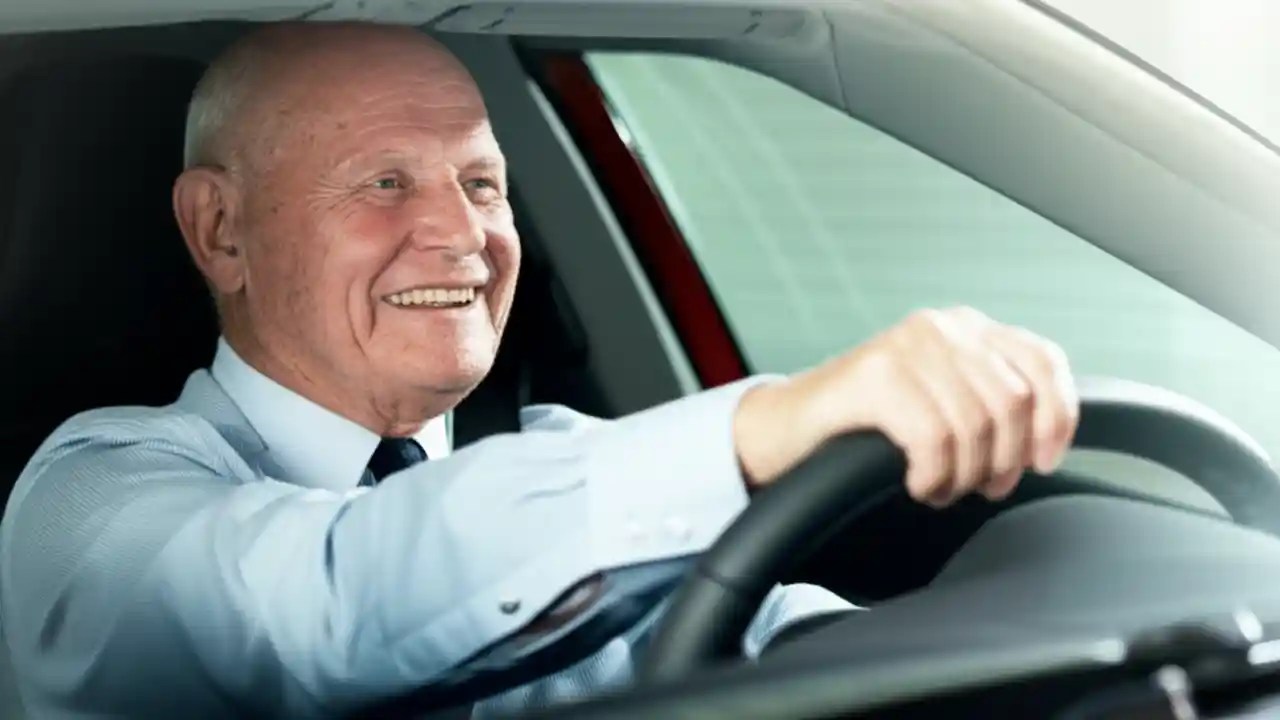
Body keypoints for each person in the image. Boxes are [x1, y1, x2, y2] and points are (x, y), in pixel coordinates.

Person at [0, 21, 1079, 720]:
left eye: (479, 182)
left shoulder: (572, 464)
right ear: (220, 230)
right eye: (384, 182)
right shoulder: (90, 499)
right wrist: (765, 425)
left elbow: (795, 651)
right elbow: (318, 610)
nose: (461, 236)